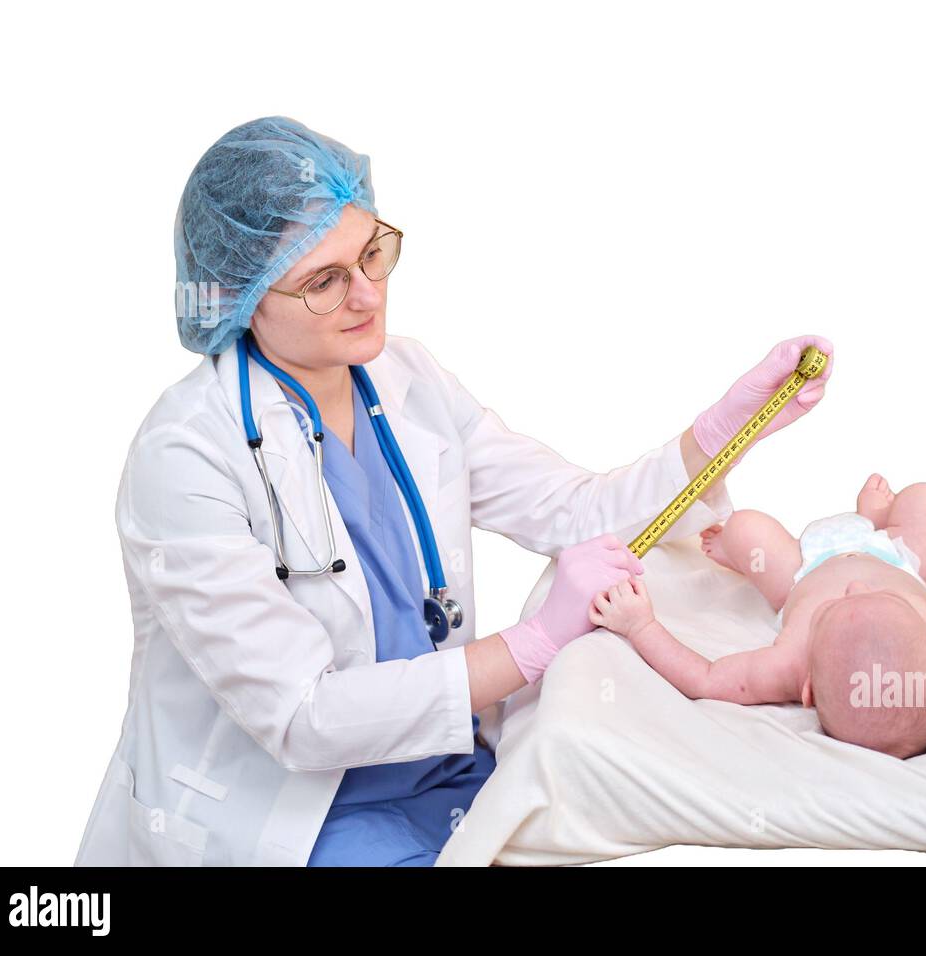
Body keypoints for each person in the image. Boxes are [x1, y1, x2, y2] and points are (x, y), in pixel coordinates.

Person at [74, 116, 832, 866]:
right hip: (296, 814)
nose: (368, 295)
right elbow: (303, 716)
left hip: (452, 769)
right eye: (324, 281)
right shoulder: (186, 456)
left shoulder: (409, 380)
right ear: (239, 296)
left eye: (372, 254)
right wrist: (531, 644)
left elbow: (574, 513)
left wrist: (726, 428)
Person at [590, 474, 926, 759]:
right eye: (880, 600)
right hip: (900, 560)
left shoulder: (791, 663)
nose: (855, 587)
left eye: (832, 611)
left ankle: (741, 553)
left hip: (802, 569)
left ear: (807, 686)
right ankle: (878, 519)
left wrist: (641, 625)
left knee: (745, 528)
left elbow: (706, 679)